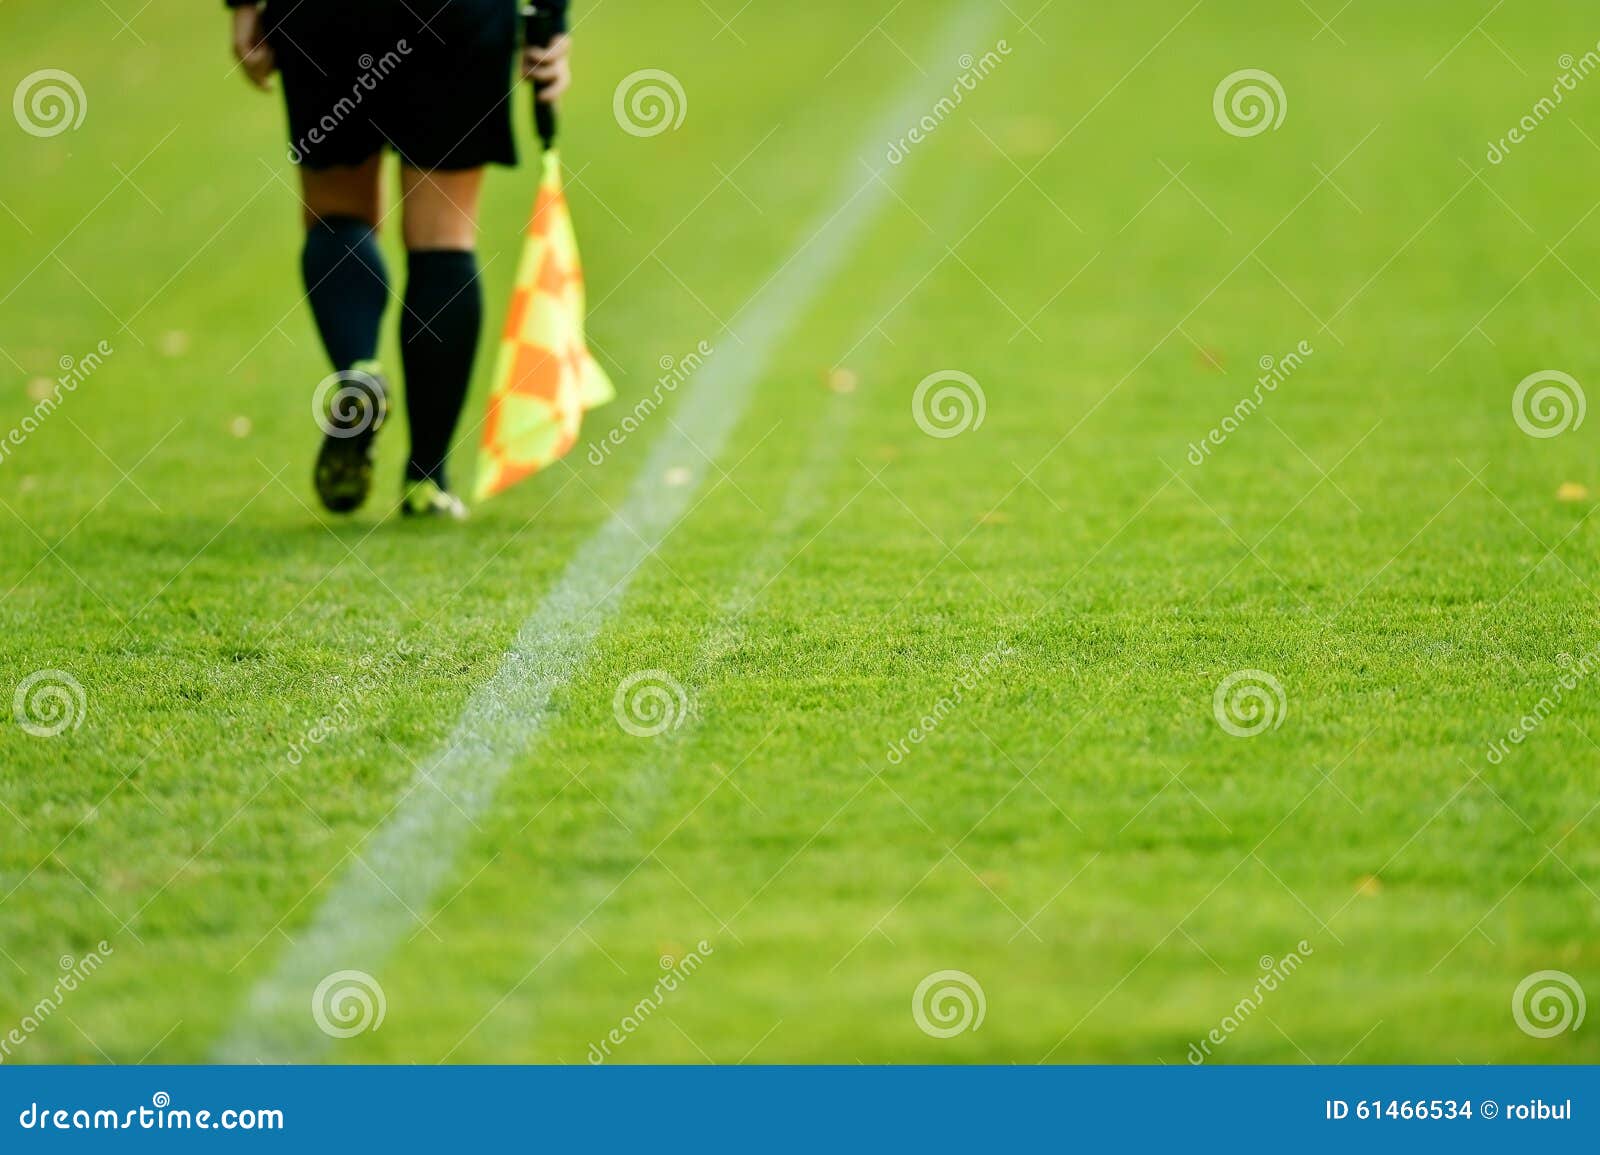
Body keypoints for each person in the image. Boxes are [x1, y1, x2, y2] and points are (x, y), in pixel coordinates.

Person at [226, 0, 573, 519]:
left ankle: (359, 369)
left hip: (328, 18)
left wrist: (242, 6)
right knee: (444, 237)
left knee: (336, 214)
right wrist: (549, 23)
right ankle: (427, 480)